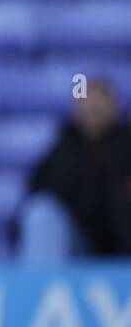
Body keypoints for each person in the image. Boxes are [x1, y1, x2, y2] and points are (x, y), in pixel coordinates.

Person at [18, 79, 131, 260]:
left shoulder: (126, 144)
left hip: (121, 244)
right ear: (77, 110)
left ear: (115, 107)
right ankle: (40, 284)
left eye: (100, 104)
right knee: (42, 213)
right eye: (89, 105)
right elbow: (40, 189)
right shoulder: (64, 147)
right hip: (78, 245)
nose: (95, 110)